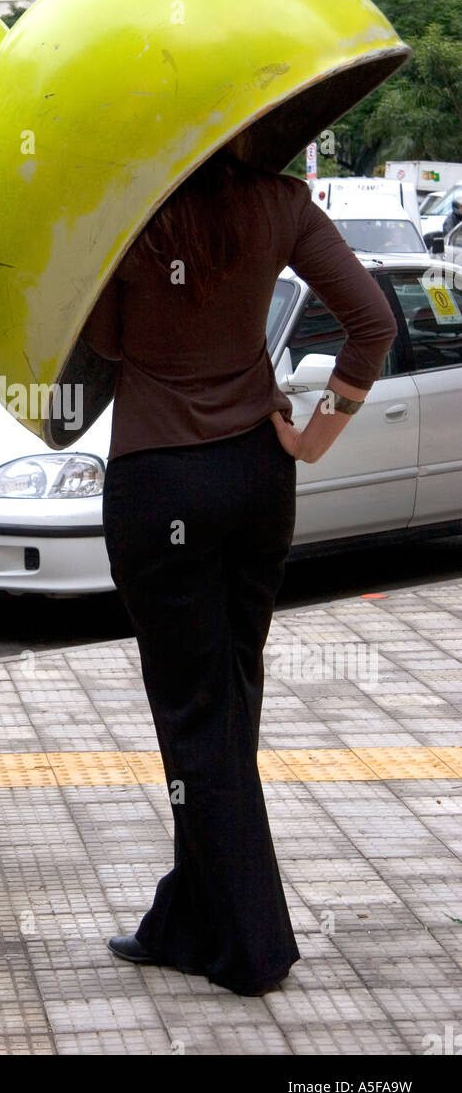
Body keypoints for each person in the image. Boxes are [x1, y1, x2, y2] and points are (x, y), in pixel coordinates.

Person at [80, 144, 398, 998]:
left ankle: (251, 948)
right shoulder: (282, 202)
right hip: (260, 476)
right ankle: (187, 916)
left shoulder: (130, 214)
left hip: (162, 481)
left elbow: (106, 342)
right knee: (228, 701)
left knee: (195, 717)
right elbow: (373, 323)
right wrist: (319, 433)